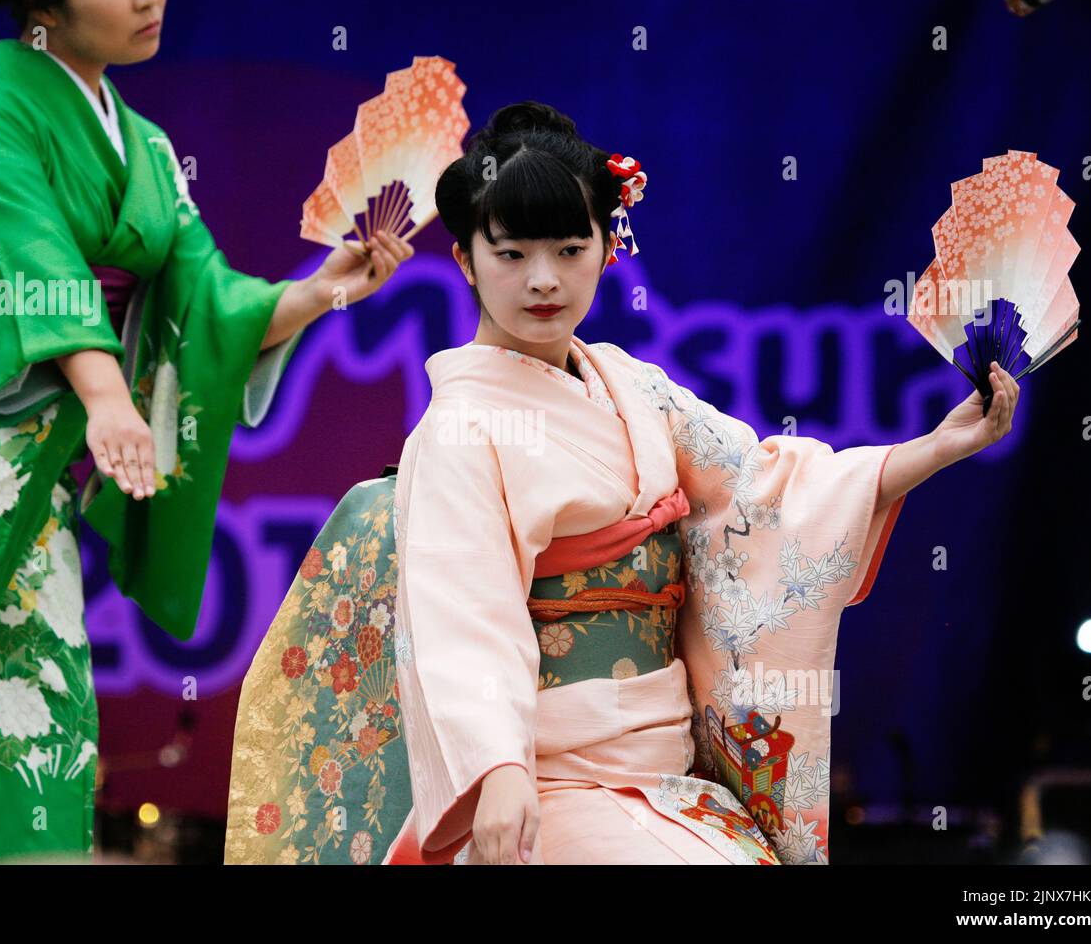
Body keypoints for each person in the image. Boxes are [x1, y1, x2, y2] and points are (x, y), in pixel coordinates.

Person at [226, 101, 1019, 865]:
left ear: (608, 248)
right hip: (548, 781)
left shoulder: (633, 387)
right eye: (511, 254)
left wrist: (932, 449)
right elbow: (463, 617)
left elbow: (763, 490)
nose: (544, 280)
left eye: (570, 249)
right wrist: (497, 773)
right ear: (464, 259)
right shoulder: (460, 428)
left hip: (670, 776)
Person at [0, 0, 412, 865]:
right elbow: (26, 256)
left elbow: (204, 302)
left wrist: (322, 289)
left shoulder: (142, 144)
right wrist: (105, 393)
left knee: (38, 718)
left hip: (26, 461)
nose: (152, 0)